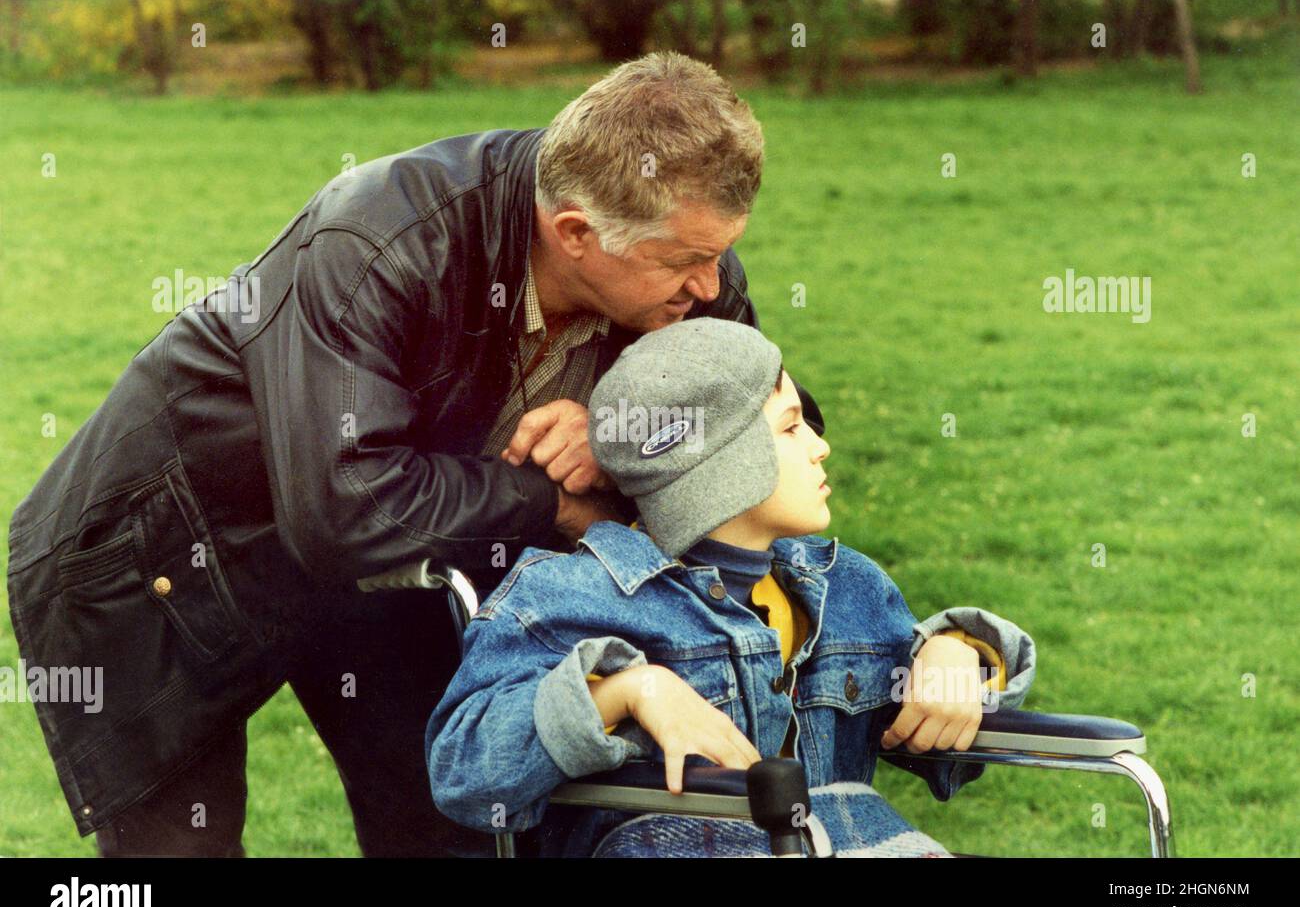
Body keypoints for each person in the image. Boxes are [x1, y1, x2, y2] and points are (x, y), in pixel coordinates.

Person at [4, 52, 822, 856]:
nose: (713, 289)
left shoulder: (675, 255)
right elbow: (347, 503)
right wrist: (558, 505)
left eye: (718, 254)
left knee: (452, 828)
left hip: (393, 567)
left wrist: (621, 435)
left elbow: (772, 429)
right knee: (176, 855)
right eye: (687, 261)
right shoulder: (377, 236)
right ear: (576, 232)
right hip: (163, 560)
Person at [426, 318, 1037, 857]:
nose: (821, 447)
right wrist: (627, 691)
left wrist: (961, 655)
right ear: (725, 465)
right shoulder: (569, 597)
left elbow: (939, 732)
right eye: (792, 428)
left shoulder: (845, 585)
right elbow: (466, 772)